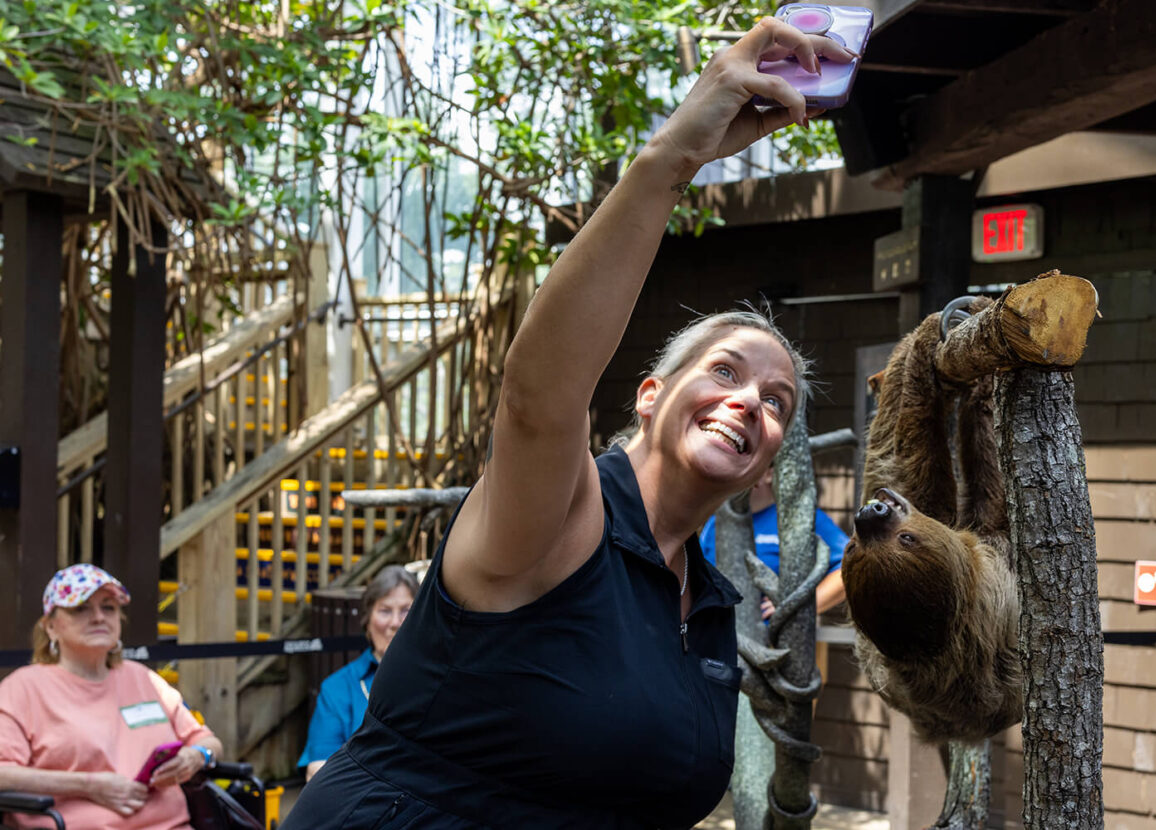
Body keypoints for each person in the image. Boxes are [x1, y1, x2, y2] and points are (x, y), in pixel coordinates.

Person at [285, 18, 855, 829]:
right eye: (725, 370)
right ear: (651, 396)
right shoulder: (565, 513)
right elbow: (536, 398)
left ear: (768, 460)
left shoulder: (712, 609)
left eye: (776, 402)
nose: (749, 403)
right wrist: (673, 161)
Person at [0, 564, 225, 830]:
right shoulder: (23, 689)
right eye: (80, 608)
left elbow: (209, 741)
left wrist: (195, 756)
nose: (98, 617)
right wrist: (88, 786)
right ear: (50, 627)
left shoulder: (144, 679)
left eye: (108, 607)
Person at [297, 565, 419, 781]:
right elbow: (317, 770)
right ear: (367, 621)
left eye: (406, 611)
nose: (394, 623)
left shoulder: (438, 680)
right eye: (384, 610)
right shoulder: (338, 688)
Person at [699, 466, 847, 618]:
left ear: (769, 473)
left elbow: (847, 567)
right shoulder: (715, 522)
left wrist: (799, 605)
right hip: (717, 633)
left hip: (771, 637)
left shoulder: (800, 517)